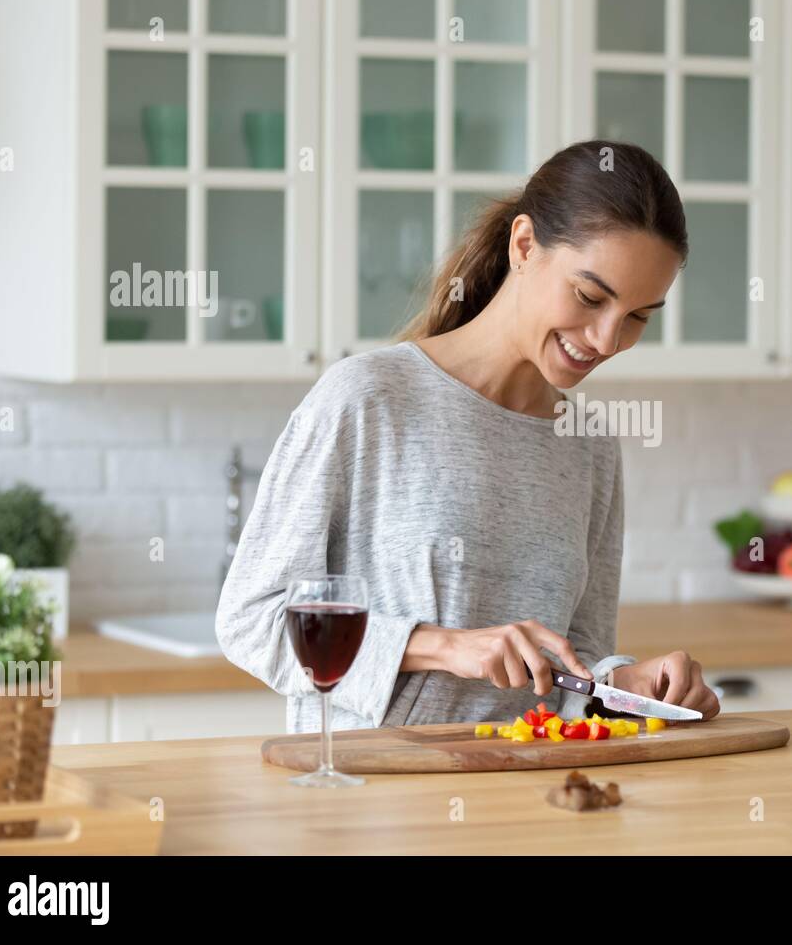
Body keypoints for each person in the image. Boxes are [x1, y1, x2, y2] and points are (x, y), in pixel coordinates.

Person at [216, 140, 721, 734]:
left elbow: (572, 670)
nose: (608, 340)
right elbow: (253, 621)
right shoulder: (368, 399)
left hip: (526, 803)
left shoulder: (590, 444)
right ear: (525, 245)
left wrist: (624, 684)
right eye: (590, 296)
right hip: (367, 801)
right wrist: (444, 646)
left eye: (639, 316)